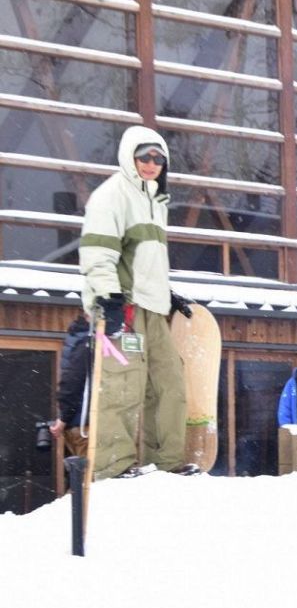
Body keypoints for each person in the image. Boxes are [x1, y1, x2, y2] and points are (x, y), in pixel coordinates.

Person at [79, 124, 197, 478]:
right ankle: (111, 466)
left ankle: (166, 462)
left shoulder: (155, 201)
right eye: (143, 156)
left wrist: (166, 294)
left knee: (169, 383)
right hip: (123, 305)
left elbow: (147, 261)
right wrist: (107, 297)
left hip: (152, 307)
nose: (150, 163)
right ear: (129, 157)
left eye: (158, 158)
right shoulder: (111, 195)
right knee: (122, 383)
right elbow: (98, 252)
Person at [48, 314, 92, 457]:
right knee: (93, 474)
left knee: (84, 473)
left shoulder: (77, 339)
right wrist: (64, 418)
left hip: (79, 423)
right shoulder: (86, 342)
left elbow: (71, 380)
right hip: (85, 425)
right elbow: (73, 381)